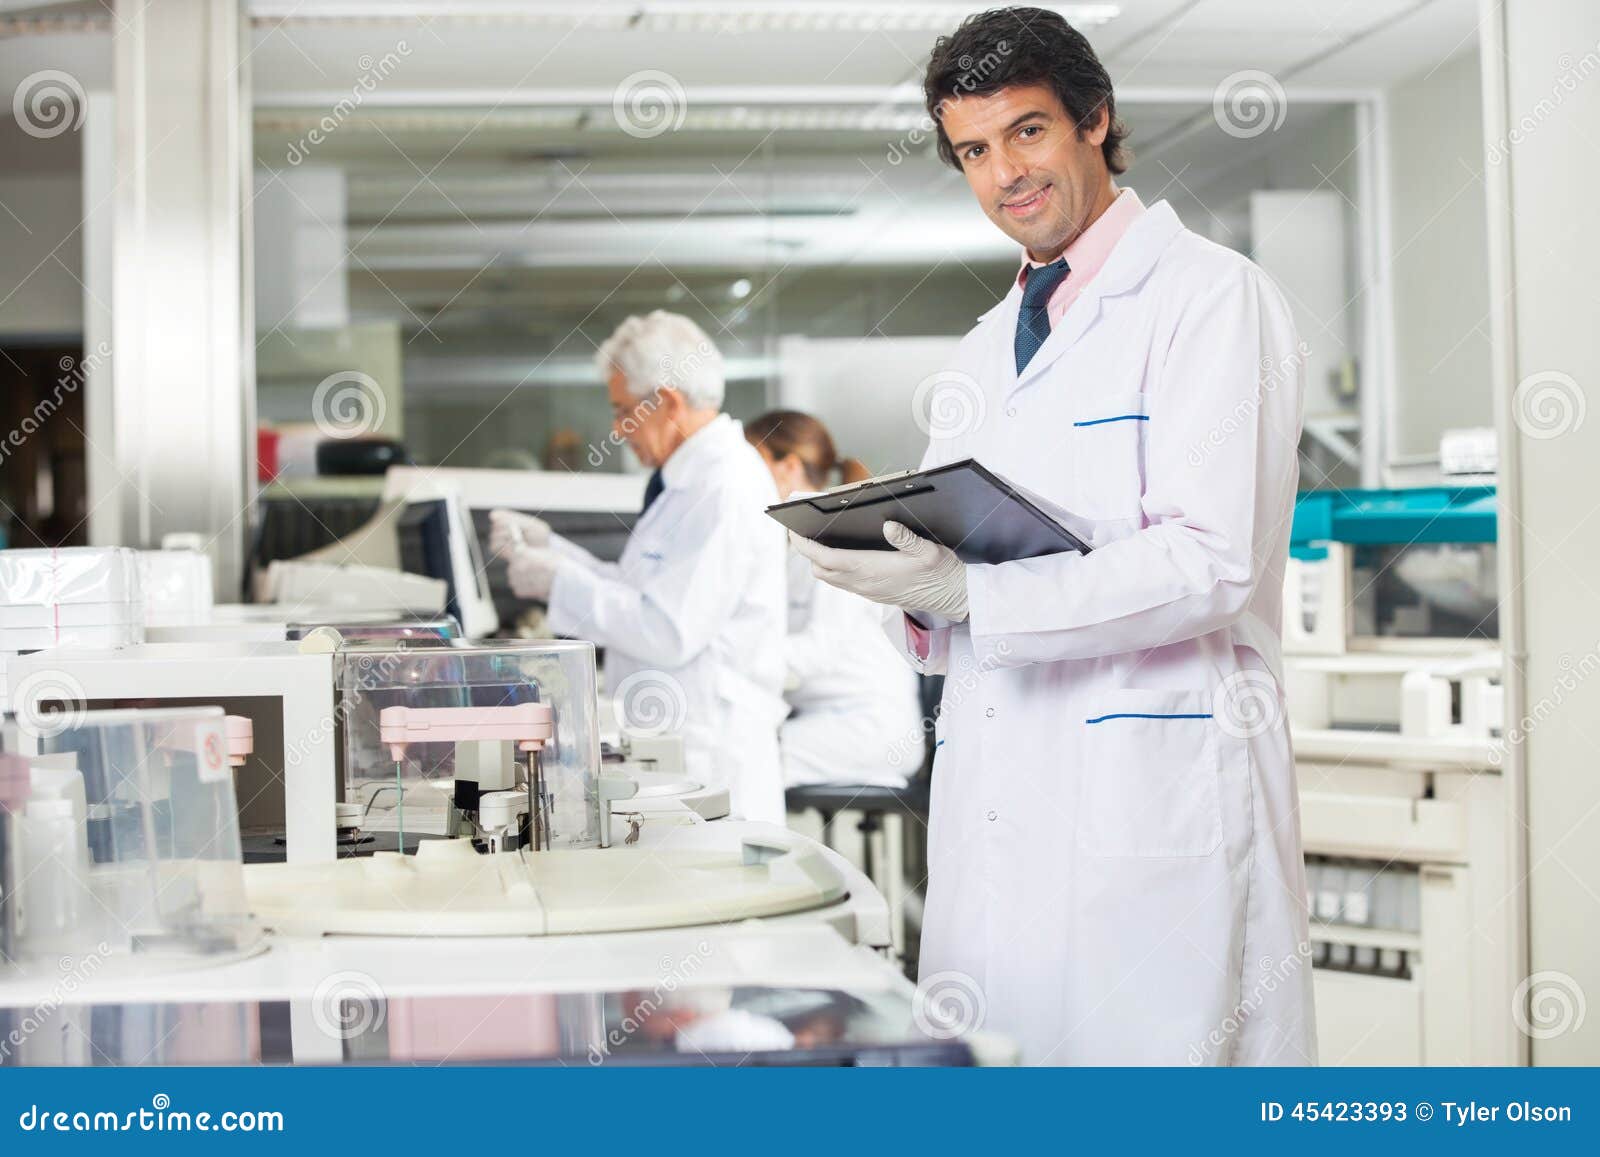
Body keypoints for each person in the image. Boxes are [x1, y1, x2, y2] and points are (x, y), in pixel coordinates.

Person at [790, 7, 1314, 1065]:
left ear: (1094, 121)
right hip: (997, 801)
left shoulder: (1210, 299)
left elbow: (1209, 557)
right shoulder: (986, 348)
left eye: (1026, 131)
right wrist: (915, 594)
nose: (1003, 175)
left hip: (1150, 792)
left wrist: (978, 598)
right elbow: (971, 566)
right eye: (973, 151)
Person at [491, 311, 788, 824]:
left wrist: (560, 580)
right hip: (680, 740)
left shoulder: (723, 485)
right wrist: (558, 552)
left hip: (710, 754)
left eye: (623, 410)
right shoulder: (686, 481)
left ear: (667, 402)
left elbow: (667, 630)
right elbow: (642, 590)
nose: (616, 428)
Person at [744, 410, 925, 789]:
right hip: (824, 719)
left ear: (787, 467)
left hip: (865, 726)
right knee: (738, 746)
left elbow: (819, 651)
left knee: (743, 759)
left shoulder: (836, 541)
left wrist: (739, 658)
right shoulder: (796, 547)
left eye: (749, 464)